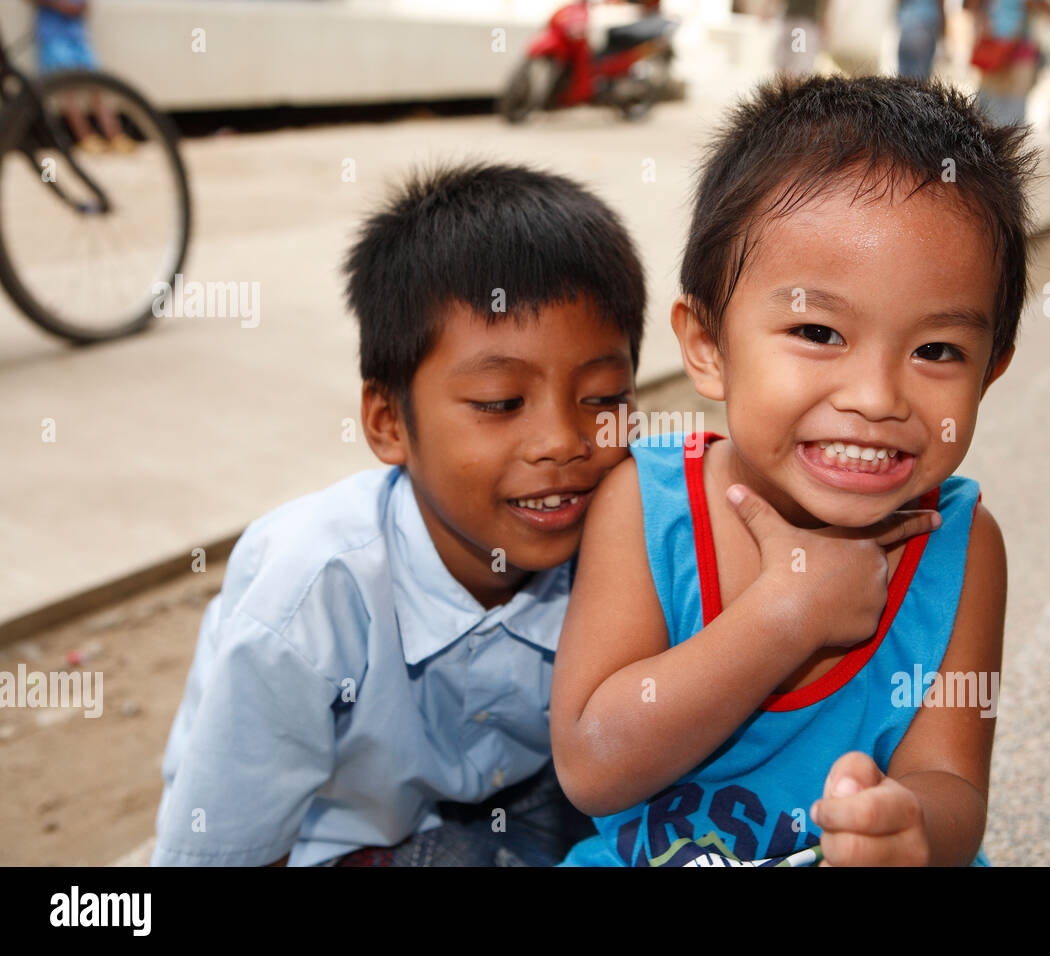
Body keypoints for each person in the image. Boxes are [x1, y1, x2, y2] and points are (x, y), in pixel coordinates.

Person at [551, 75, 1034, 867]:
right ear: (707, 345)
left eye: (937, 351)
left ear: (991, 370)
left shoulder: (963, 545)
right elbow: (593, 765)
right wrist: (786, 614)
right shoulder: (645, 502)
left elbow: (952, 779)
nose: (876, 398)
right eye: (818, 331)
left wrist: (909, 831)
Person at [151, 163, 646, 866]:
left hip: (540, 801)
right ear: (389, 423)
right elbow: (219, 851)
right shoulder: (314, 593)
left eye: (603, 397)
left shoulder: (634, 535)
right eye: (502, 403)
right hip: (349, 842)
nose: (564, 441)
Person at [29, 0, 131, 153]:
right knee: (67, 91)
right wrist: (62, 6)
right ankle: (86, 138)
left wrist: (67, 7)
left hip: (77, 37)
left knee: (97, 87)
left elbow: (84, 7)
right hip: (53, 38)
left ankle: (115, 136)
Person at [897, 0, 946, 79]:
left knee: (903, 74)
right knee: (920, 76)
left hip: (906, 23)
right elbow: (940, 4)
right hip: (925, 24)